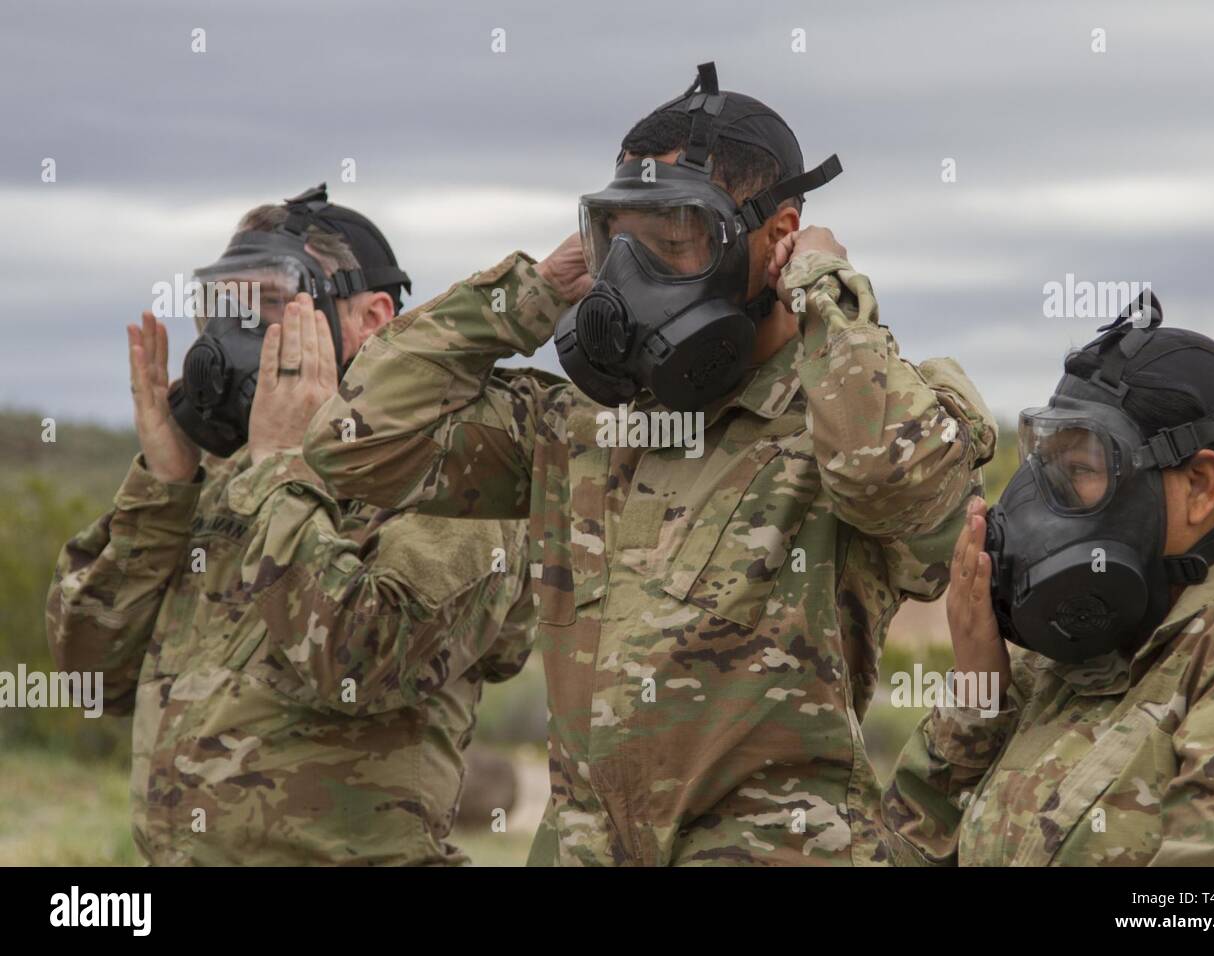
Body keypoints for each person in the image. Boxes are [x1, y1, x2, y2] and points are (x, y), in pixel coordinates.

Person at [304, 63, 996, 866]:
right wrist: (532, 289)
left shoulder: (846, 422)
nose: (634, 278)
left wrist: (822, 290)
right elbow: (351, 439)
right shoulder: (583, 433)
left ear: (775, 236)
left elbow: (897, 488)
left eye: (673, 243)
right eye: (616, 242)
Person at [46, 186, 533, 865]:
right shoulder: (223, 476)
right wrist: (165, 487)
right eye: (225, 306)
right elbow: (91, 678)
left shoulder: (450, 473)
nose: (236, 335)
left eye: (271, 305)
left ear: (372, 318)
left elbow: (359, 662)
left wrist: (280, 470)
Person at [883, 296, 1214, 866]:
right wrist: (978, 696)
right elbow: (896, 855)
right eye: (1044, 466)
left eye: (1079, 470)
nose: (1038, 505)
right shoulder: (1070, 646)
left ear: (1201, 485)